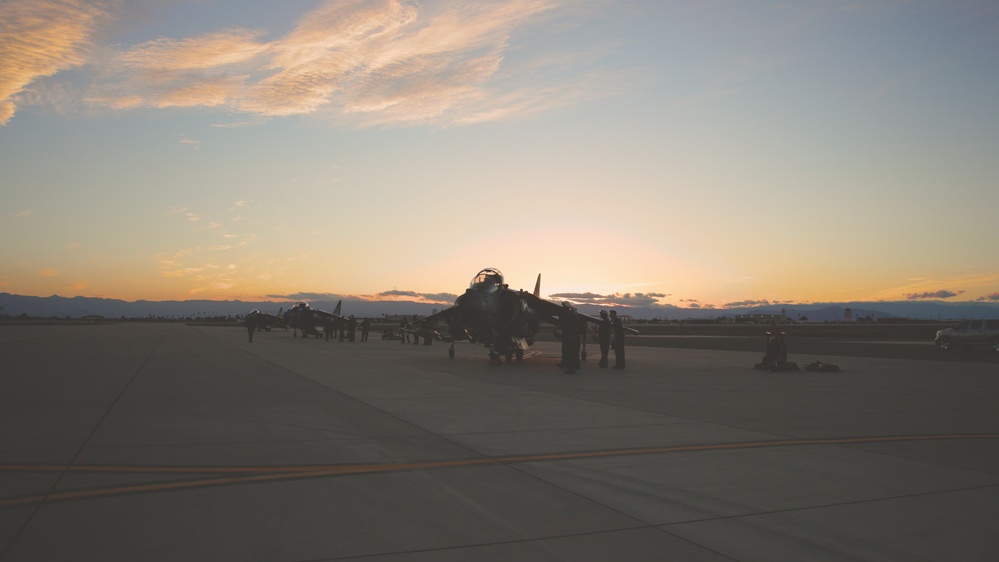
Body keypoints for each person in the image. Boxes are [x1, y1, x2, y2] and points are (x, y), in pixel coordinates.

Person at [560, 303, 580, 374]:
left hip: (569, 338)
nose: (563, 307)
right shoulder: (574, 317)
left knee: (569, 354)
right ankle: (571, 368)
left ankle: (570, 369)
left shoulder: (568, 316)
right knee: (571, 354)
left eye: (564, 307)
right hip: (572, 338)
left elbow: (564, 326)